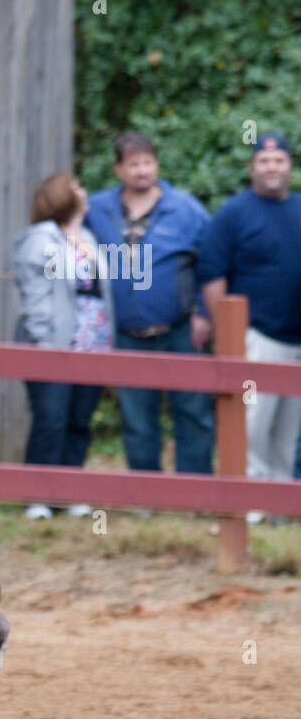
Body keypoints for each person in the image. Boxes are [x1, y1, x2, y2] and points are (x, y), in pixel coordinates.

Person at [84, 132, 214, 477]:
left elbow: (212, 264)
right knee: (137, 415)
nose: (142, 171)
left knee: (192, 409)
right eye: (134, 164)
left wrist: (204, 313)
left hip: (180, 329)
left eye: (148, 162)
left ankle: (196, 487)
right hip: (126, 331)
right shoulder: (97, 209)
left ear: (156, 163)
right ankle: (145, 490)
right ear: (118, 169)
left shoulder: (186, 209)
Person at [197, 132, 301, 521]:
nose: (272, 168)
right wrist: (229, 339)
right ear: (252, 167)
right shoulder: (234, 212)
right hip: (255, 338)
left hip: (296, 340)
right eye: (264, 161)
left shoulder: (299, 209)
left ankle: (280, 506)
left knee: (288, 430)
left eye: (279, 161)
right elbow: (212, 275)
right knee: (252, 426)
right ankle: (252, 504)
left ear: (289, 165)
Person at [12, 172, 114, 519]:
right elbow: (36, 299)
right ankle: (38, 496)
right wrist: (44, 345)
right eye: (76, 186)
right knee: (51, 419)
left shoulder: (86, 236)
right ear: (62, 197)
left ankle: (68, 494)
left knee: (78, 420)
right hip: (54, 346)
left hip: (93, 347)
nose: (83, 191)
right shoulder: (40, 240)